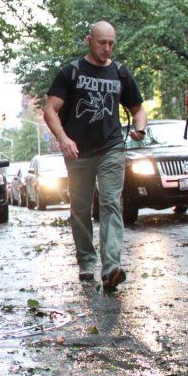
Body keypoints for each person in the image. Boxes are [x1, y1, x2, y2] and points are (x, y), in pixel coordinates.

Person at [44, 21, 147, 293]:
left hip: (111, 147)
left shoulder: (120, 73)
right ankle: (86, 261)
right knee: (80, 208)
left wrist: (140, 127)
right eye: (102, 42)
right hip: (78, 151)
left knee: (111, 202)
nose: (107, 48)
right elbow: (50, 110)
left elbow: (138, 110)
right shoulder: (72, 72)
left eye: (112, 43)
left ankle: (111, 267)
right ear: (90, 40)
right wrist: (63, 139)